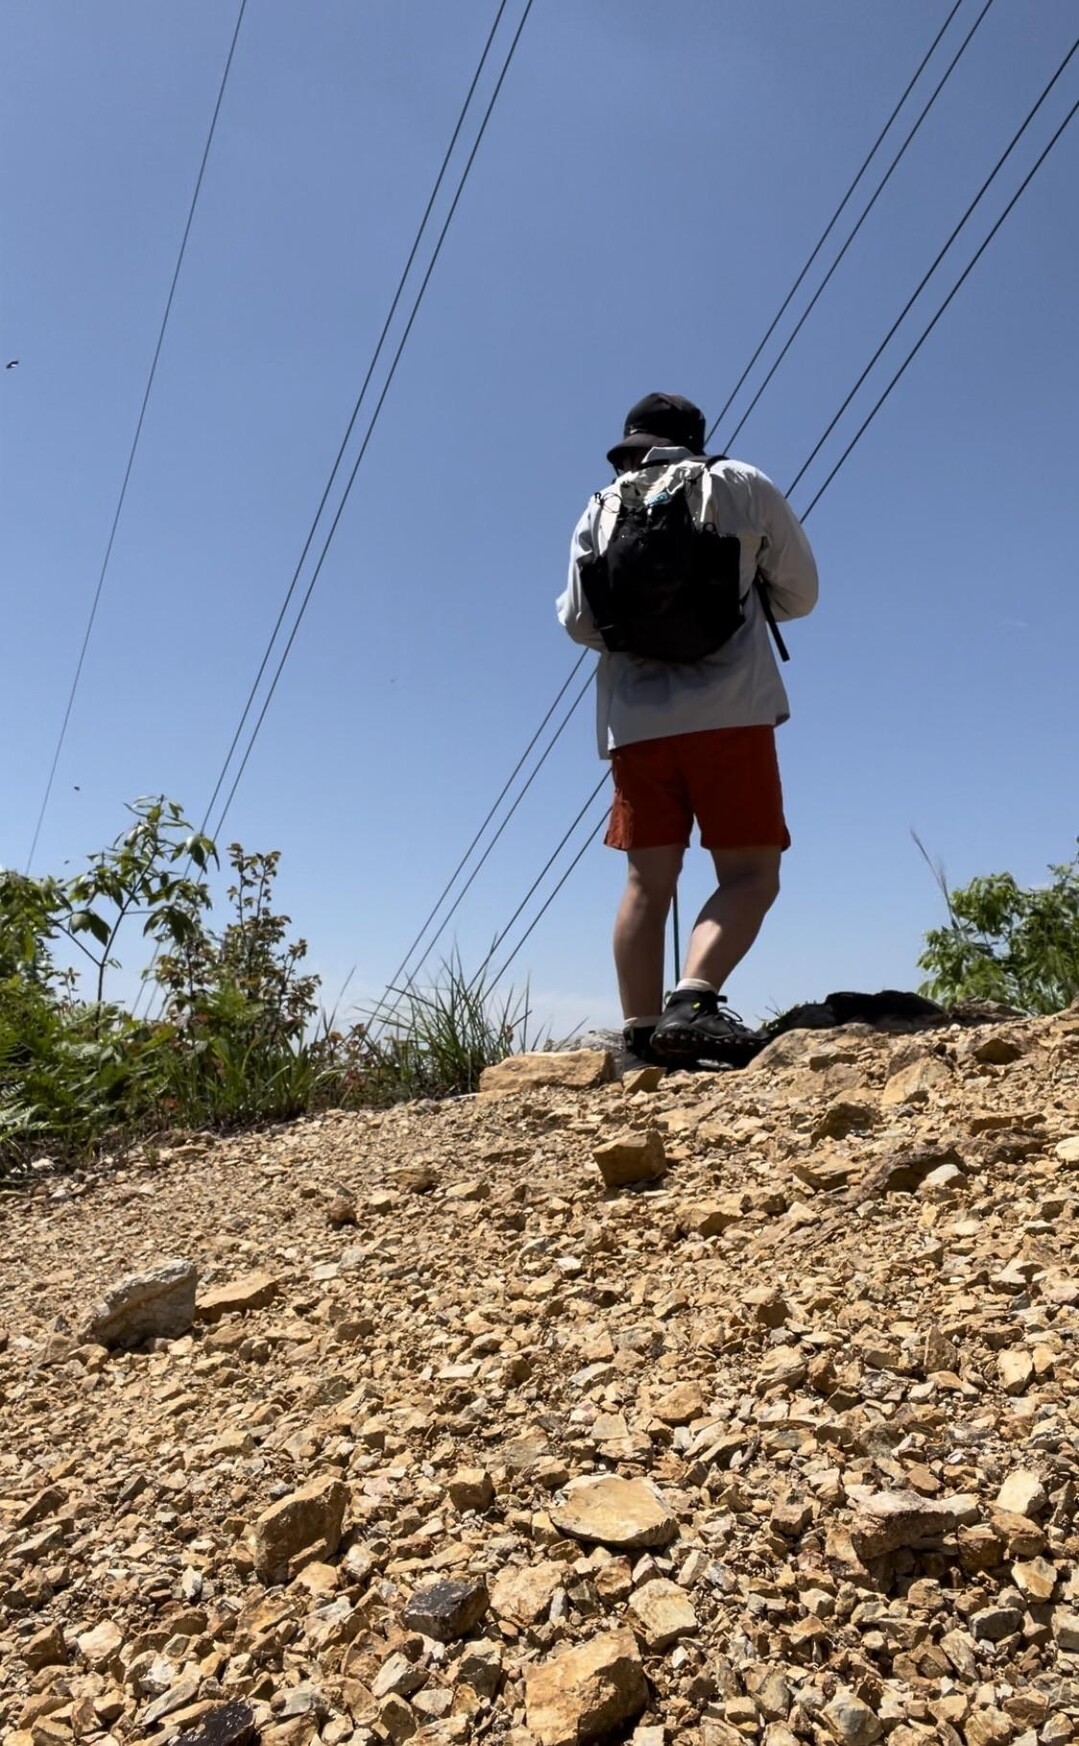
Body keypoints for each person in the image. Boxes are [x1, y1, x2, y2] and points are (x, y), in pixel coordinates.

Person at [557, 392, 818, 1068]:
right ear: (694, 440)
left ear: (631, 443)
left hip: (635, 723)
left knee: (647, 883)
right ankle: (694, 1002)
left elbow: (578, 622)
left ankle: (641, 1037)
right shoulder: (737, 483)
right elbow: (802, 593)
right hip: (731, 709)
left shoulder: (601, 506)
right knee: (751, 872)